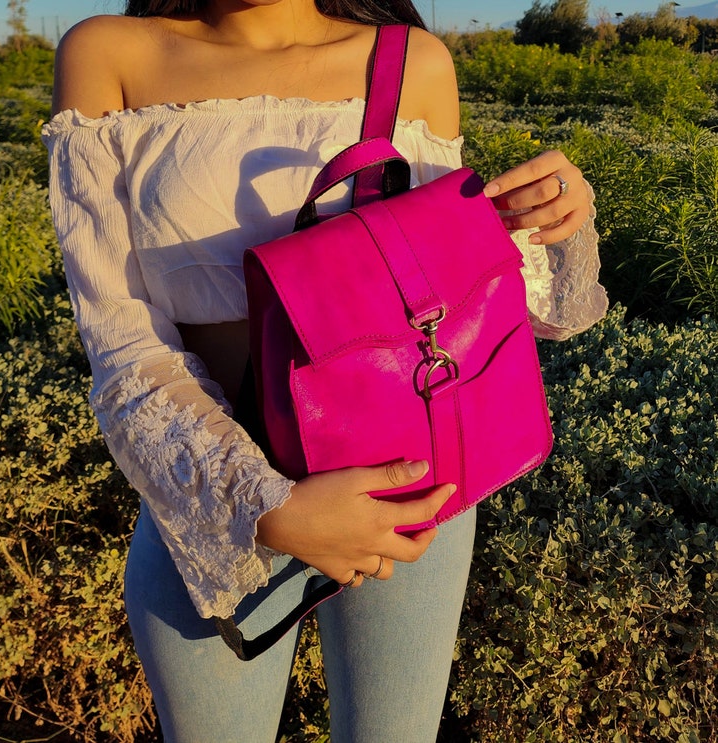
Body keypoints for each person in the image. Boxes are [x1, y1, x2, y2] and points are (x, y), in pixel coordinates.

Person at [42, 1, 608, 741]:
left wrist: (539, 221)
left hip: (408, 485)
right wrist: (269, 508)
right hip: (216, 505)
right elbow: (121, 341)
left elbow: (436, 283)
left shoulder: (414, 62)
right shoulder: (107, 54)